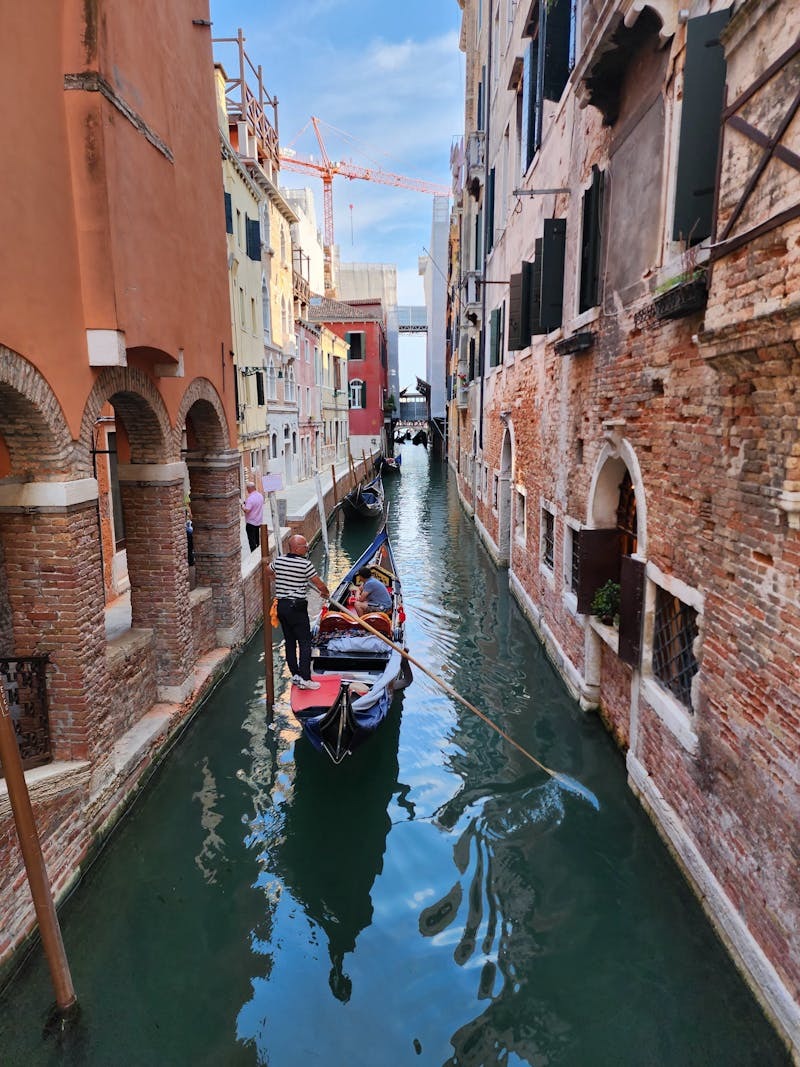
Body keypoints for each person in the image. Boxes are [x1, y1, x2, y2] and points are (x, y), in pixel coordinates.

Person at [271, 534, 330, 690]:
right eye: (305, 546)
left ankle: (296, 675)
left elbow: (267, 570)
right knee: (305, 643)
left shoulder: (279, 560)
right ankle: (305, 678)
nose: (307, 548)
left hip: (282, 607)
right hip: (296, 608)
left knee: (290, 642)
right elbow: (318, 583)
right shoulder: (305, 564)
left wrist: (281, 579)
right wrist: (325, 592)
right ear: (297, 548)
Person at [242, 480, 264, 552]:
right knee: (257, 540)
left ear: (249, 488)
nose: (247, 490)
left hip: (251, 523)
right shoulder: (260, 496)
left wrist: (242, 506)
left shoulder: (250, 498)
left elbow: (247, 510)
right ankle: (258, 553)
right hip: (258, 522)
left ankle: (254, 555)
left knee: (252, 542)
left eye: (247, 488)